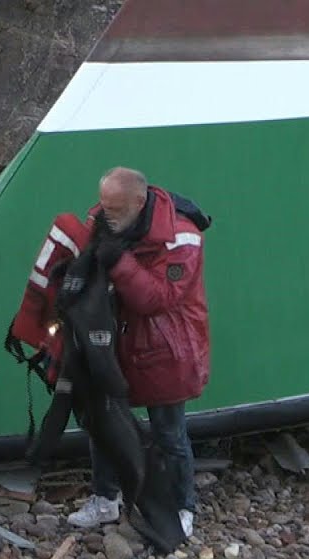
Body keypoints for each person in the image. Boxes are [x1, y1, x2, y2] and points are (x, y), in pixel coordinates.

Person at [66, 167, 210, 537]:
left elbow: (158, 299)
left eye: (113, 208)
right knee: (102, 421)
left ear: (138, 201)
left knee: (170, 433)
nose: (103, 214)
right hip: (116, 339)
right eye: (102, 205)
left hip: (166, 344)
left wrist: (117, 260)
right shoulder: (106, 218)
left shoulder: (183, 237)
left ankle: (182, 507)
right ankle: (105, 498)